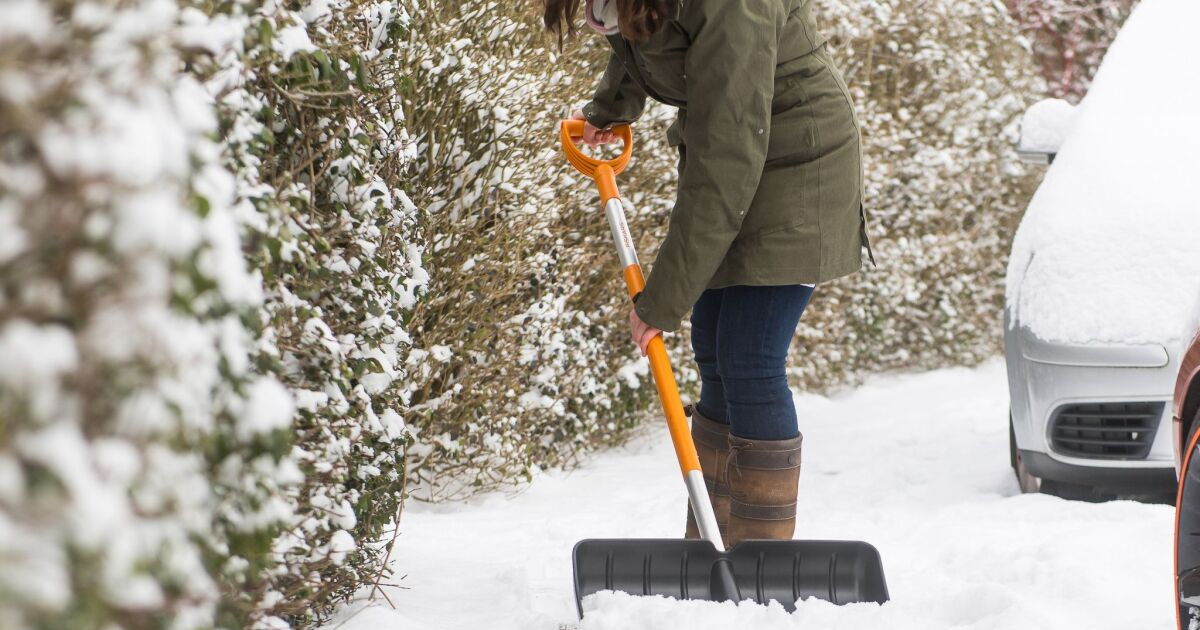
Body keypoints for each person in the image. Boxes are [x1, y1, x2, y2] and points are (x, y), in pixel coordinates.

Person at [543, 0, 873, 548]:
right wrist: (610, 109)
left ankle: (761, 558)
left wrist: (661, 300)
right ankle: (714, 545)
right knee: (715, 352)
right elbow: (642, 33)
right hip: (741, 153)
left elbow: (726, 154)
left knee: (749, 356)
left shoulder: (734, 6)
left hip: (798, 163)